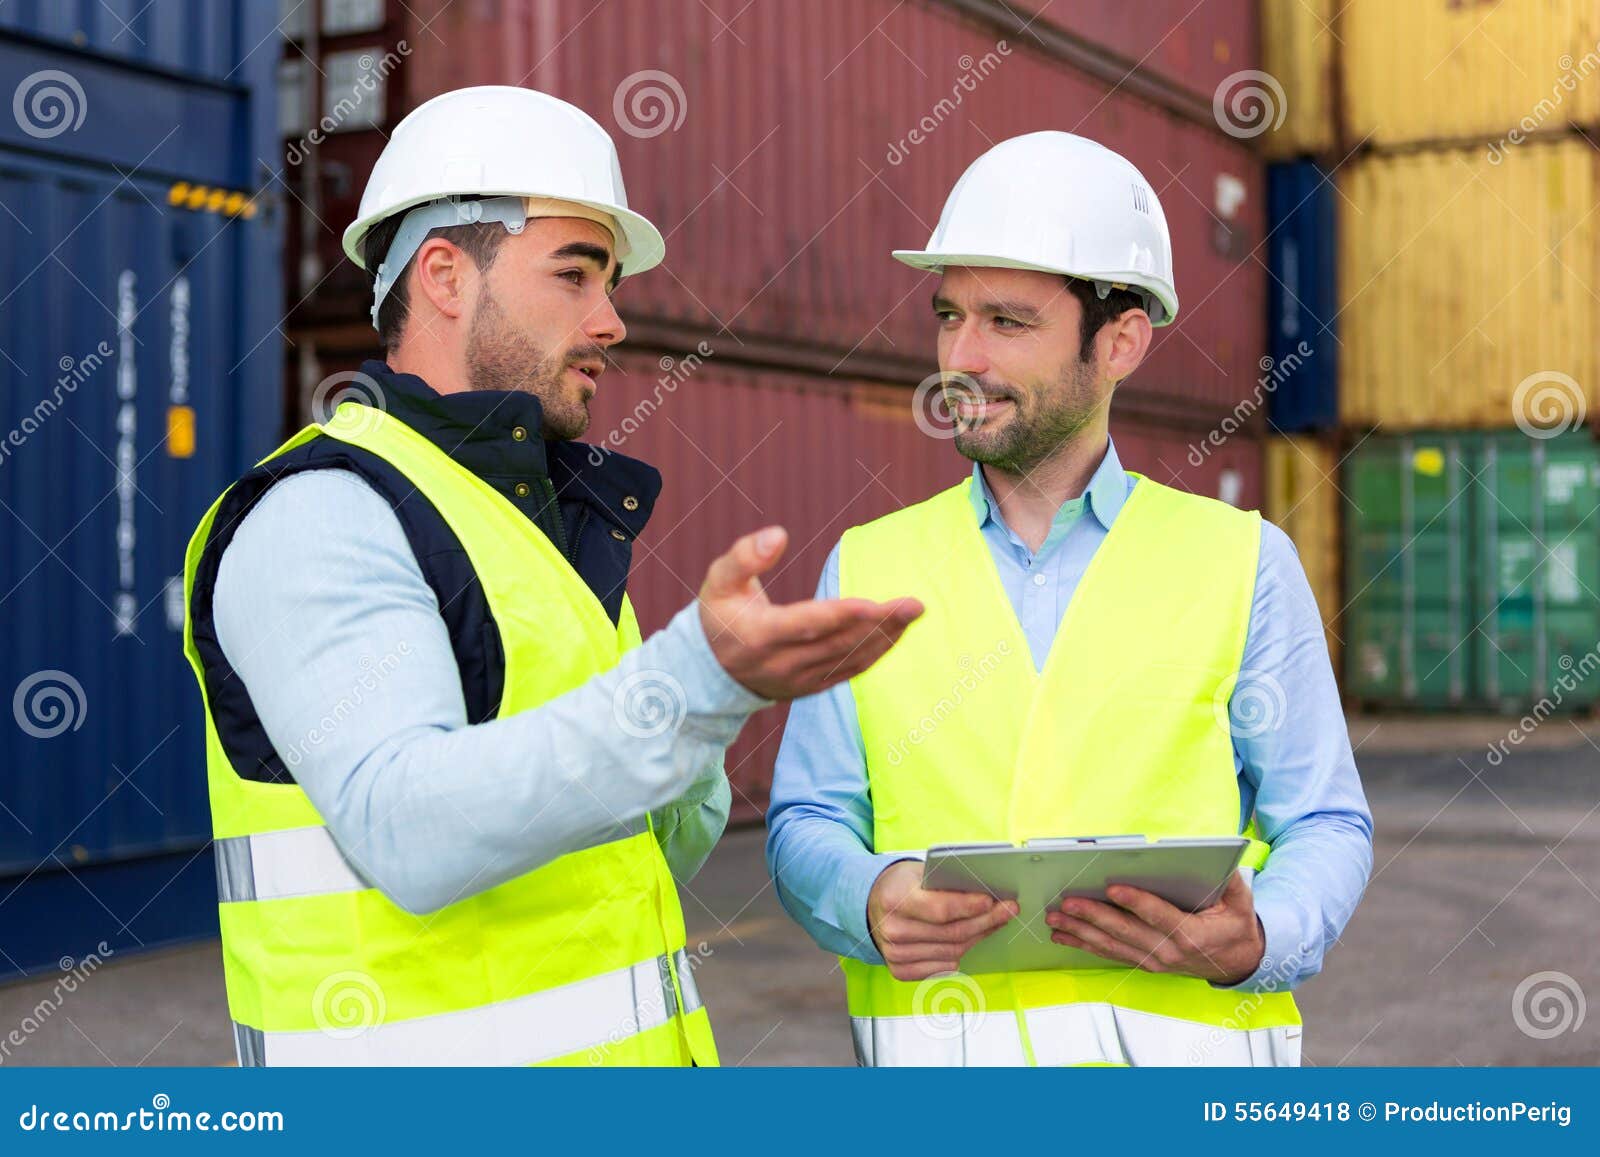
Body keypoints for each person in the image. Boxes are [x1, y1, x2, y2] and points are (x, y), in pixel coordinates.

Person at [180, 86, 920, 1067]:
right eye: (576, 276)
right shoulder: (323, 516)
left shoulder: (531, 531)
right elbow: (409, 830)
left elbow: (630, 862)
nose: (612, 322)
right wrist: (693, 683)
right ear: (445, 275)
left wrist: (718, 703)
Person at [766, 131, 1373, 1067]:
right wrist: (868, 895)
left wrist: (1262, 935)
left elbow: (1324, 820)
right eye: (948, 315)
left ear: (1120, 340)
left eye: (1007, 322)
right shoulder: (867, 564)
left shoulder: (1243, 561)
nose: (960, 356)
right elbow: (807, 820)